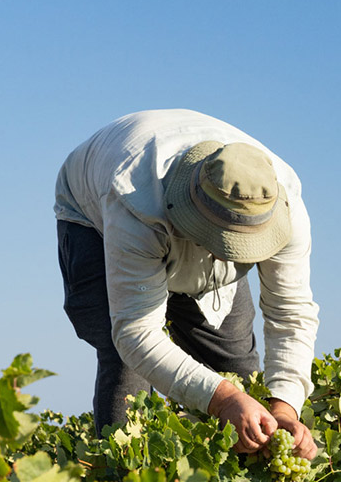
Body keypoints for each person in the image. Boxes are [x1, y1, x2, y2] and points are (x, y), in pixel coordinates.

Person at [55, 109, 320, 459]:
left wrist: (284, 407)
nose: (229, 258)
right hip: (91, 216)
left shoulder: (283, 208)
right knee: (126, 365)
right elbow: (135, 333)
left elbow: (291, 313)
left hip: (194, 206)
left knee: (239, 371)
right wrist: (223, 400)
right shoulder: (134, 204)